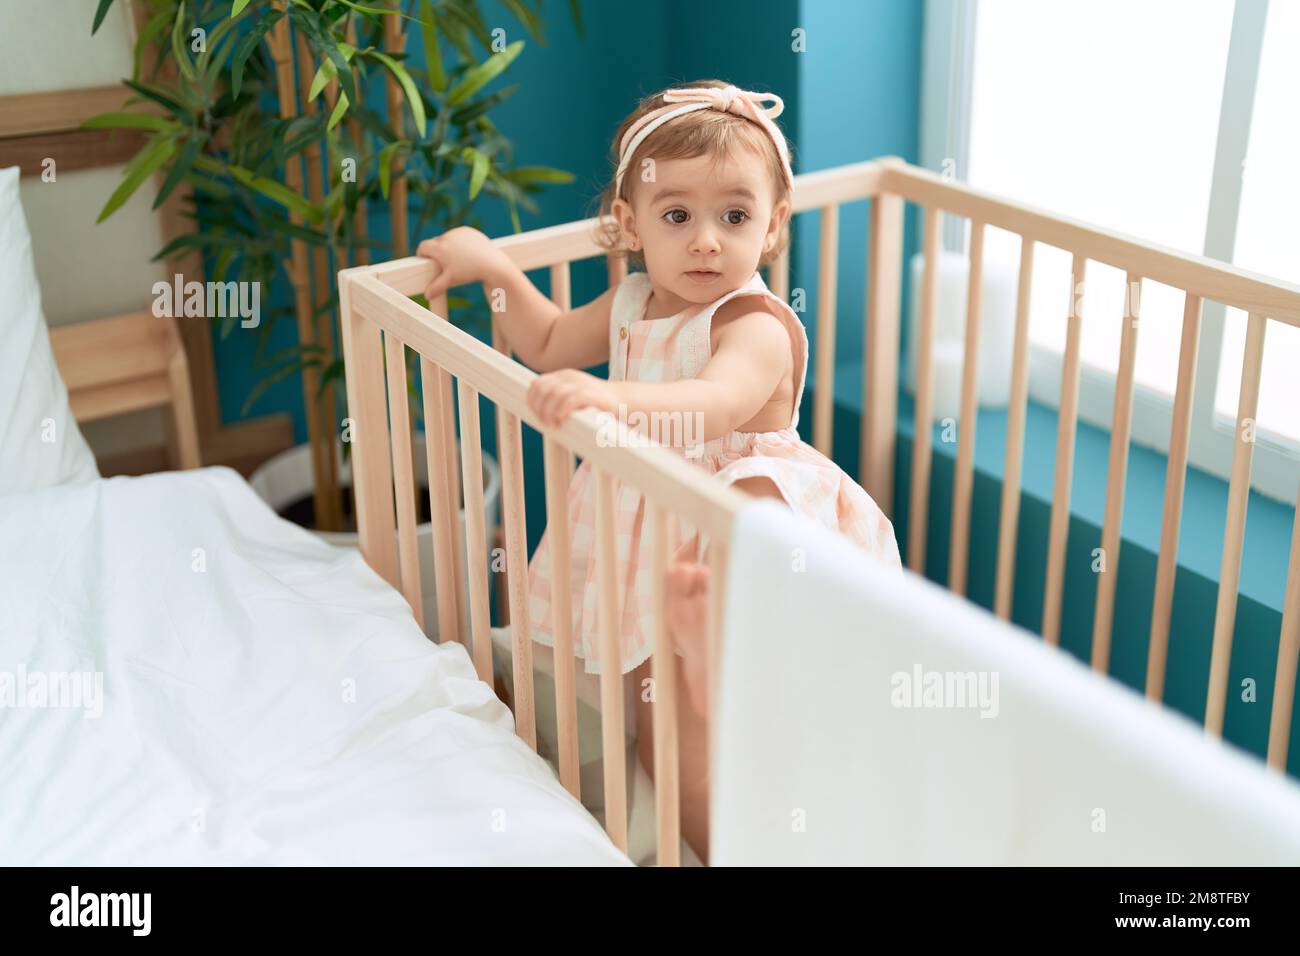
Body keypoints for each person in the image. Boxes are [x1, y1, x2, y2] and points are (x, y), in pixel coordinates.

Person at [417, 79, 901, 864]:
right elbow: (541, 346)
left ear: (773, 227)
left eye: (734, 217)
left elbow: (712, 402)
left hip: (724, 517)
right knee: (651, 731)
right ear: (628, 225)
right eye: (677, 217)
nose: (707, 241)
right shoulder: (632, 298)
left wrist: (610, 396)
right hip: (647, 521)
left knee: (688, 744)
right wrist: (496, 272)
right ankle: (697, 728)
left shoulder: (754, 323)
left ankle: (728, 799)